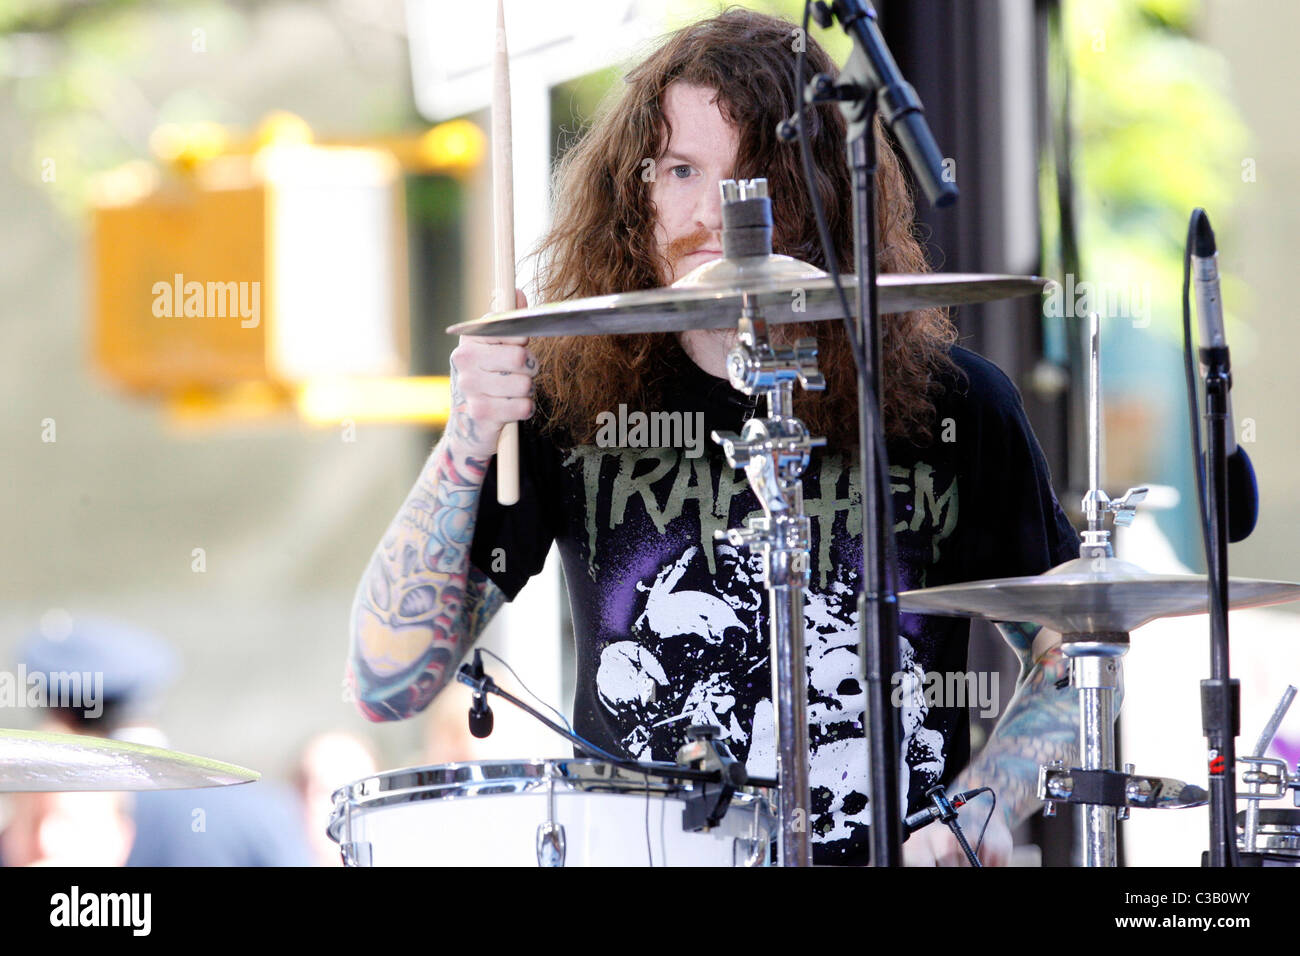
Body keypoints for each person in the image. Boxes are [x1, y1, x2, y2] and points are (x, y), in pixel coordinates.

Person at [346, 9, 1080, 866]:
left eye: (755, 174)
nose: (711, 215)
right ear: (636, 189)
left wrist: (988, 804)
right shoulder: (566, 399)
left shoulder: (953, 405)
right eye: (681, 170)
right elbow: (387, 681)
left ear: (825, 195)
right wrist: (465, 439)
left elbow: (1079, 661)